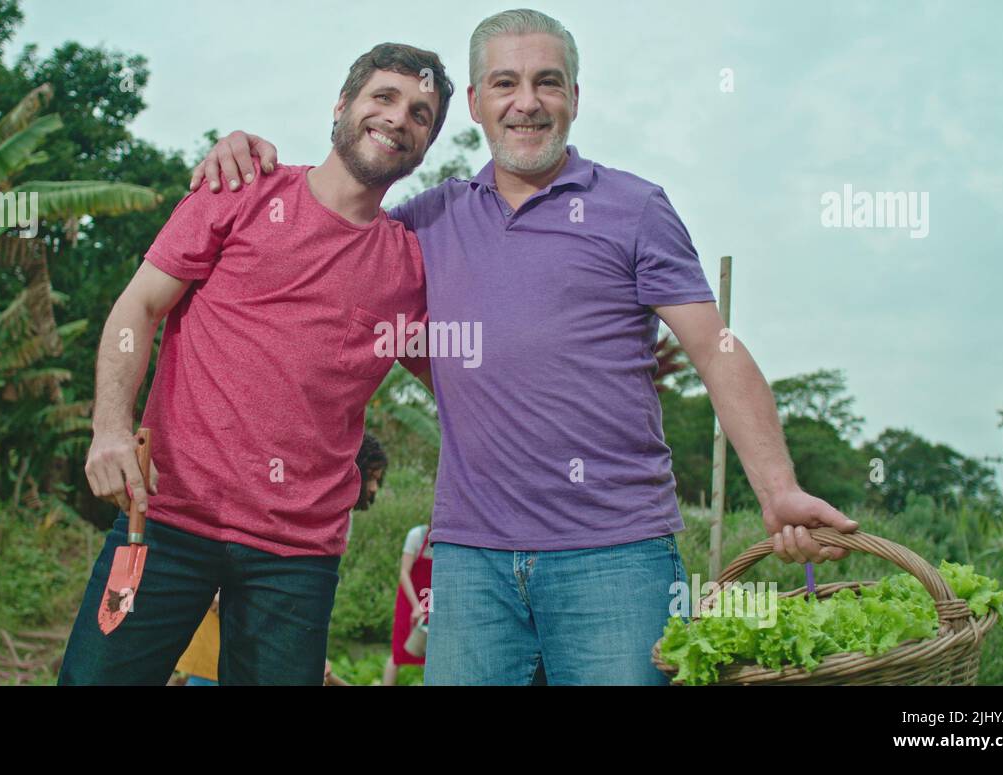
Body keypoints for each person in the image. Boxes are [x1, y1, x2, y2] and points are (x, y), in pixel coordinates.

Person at [189, 9, 861, 686]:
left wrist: (777, 489)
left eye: (548, 82)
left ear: (574, 97)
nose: (528, 102)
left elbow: (715, 350)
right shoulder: (426, 221)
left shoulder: (635, 208)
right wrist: (245, 157)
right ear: (477, 103)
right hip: (471, 562)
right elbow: (332, 222)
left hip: (616, 555)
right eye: (505, 83)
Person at [57, 43, 450, 685]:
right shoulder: (241, 188)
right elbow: (138, 307)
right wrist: (109, 426)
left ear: (427, 143)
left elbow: (470, 381)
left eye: (421, 113)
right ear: (343, 104)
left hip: (296, 559)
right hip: (162, 525)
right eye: (384, 97)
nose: (399, 118)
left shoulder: (410, 270)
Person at [176, 433, 389, 686]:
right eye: (371, 477)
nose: (374, 488)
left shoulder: (344, 520)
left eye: (378, 480)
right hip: (227, 602)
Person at [382, 521, 432, 685]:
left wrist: (426, 606)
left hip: (430, 599)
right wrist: (416, 606)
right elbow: (404, 572)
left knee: (431, 654)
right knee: (398, 652)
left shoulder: (448, 542)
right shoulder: (416, 535)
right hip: (409, 598)